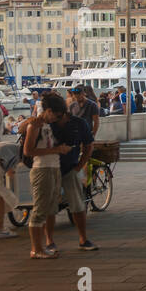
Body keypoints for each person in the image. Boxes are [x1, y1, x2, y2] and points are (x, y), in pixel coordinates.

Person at [24, 93, 71, 259]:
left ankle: (45, 244)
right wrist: (57, 150)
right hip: (42, 169)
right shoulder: (35, 125)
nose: (58, 119)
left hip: (53, 167)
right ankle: (36, 249)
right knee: (40, 209)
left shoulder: (46, 125)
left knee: (51, 208)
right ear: (49, 110)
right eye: (57, 115)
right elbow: (28, 151)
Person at [50, 93, 99, 251]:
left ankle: (83, 239)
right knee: (48, 207)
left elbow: (88, 145)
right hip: (49, 169)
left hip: (70, 168)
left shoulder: (79, 123)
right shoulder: (44, 124)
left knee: (77, 205)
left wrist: (79, 165)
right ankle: (49, 241)